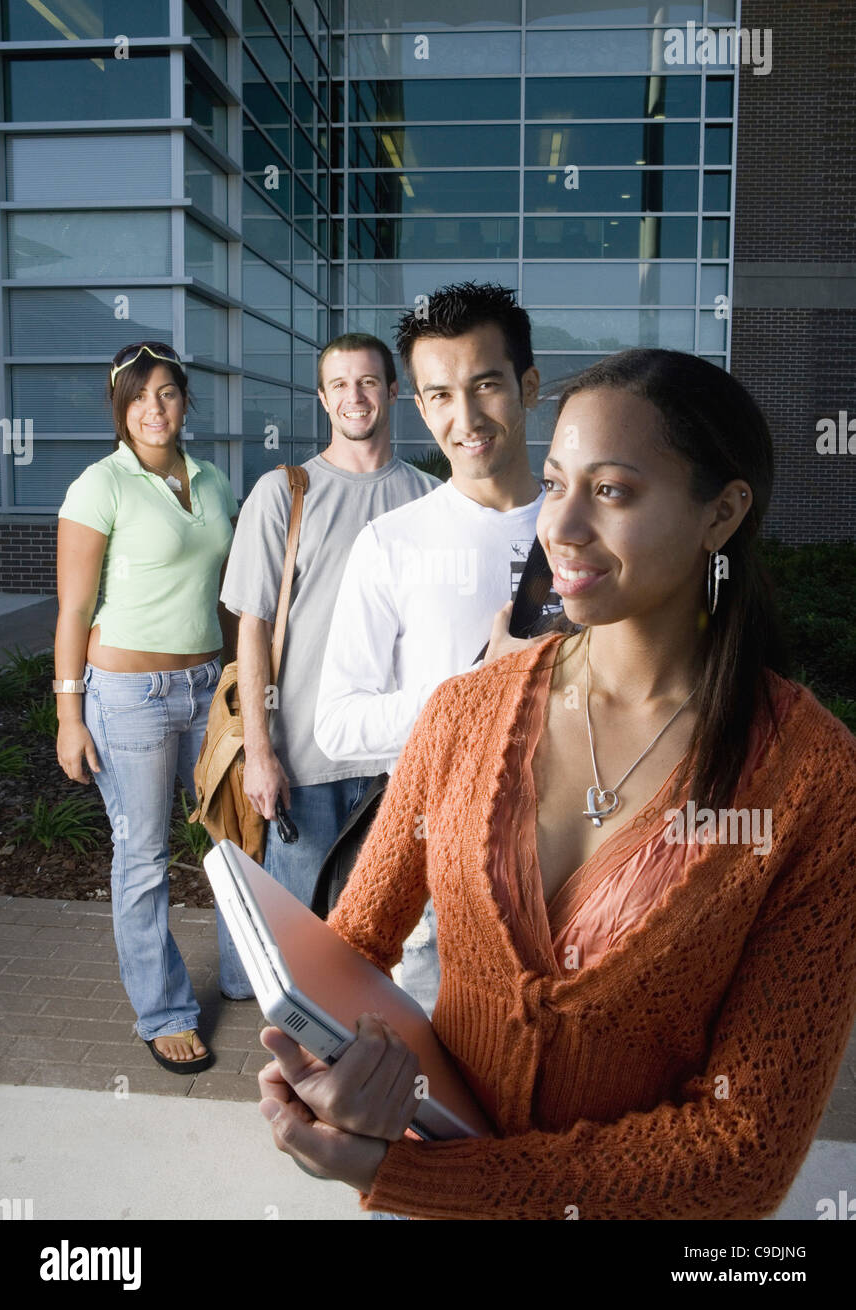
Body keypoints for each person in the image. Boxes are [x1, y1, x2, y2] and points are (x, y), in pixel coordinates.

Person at [255, 347, 856, 1219]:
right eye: (555, 482)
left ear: (722, 513)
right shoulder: (464, 711)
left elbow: (743, 1149)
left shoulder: (816, 785)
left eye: (612, 492)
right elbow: (351, 954)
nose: (560, 526)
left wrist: (421, 1181)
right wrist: (326, 1069)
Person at [314, 283, 559, 1015]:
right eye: (440, 394)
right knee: (429, 1099)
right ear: (419, 405)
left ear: (529, 387)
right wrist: (467, 691)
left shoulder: (584, 531)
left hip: (574, 865)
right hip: (439, 875)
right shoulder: (391, 543)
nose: (466, 417)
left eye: (485, 385)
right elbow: (338, 723)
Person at [215, 333, 439, 999]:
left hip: (397, 761)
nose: (355, 397)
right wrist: (260, 750)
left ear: (394, 391)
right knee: (283, 942)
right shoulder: (285, 494)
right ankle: (271, 1038)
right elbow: (250, 630)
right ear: (321, 397)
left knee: (382, 935)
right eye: (339, 385)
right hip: (303, 758)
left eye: (368, 382)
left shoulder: (430, 498)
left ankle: (351, 1051)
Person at [55, 341, 239, 1073]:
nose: (153, 410)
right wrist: (71, 716)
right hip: (128, 698)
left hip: (206, 691)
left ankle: (244, 974)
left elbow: (229, 596)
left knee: (236, 838)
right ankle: (163, 1012)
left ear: (185, 401)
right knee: (143, 859)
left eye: (166, 393)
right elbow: (73, 611)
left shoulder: (216, 481)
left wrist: (241, 684)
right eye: (137, 398)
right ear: (120, 409)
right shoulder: (100, 486)